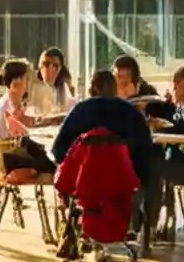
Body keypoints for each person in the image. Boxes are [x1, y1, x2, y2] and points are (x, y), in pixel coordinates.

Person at [51, 70, 156, 237]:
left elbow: (58, 151)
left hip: (84, 187)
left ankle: (74, 230)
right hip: (122, 185)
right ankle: (146, 229)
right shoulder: (131, 114)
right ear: (115, 89)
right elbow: (146, 155)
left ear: (91, 90)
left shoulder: (80, 111)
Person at [0, 59, 55, 174]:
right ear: (16, 83)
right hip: (12, 156)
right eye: (27, 79)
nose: (30, 83)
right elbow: (21, 130)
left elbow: (26, 122)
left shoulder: (12, 102)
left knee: (51, 156)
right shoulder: (6, 107)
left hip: (16, 151)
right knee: (52, 162)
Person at [29, 47, 76, 120]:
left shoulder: (63, 87)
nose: (50, 69)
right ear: (39, 66)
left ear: (60, 68)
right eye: (46, 64)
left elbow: (69, 112)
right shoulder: (30, 85)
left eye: (55, 66)